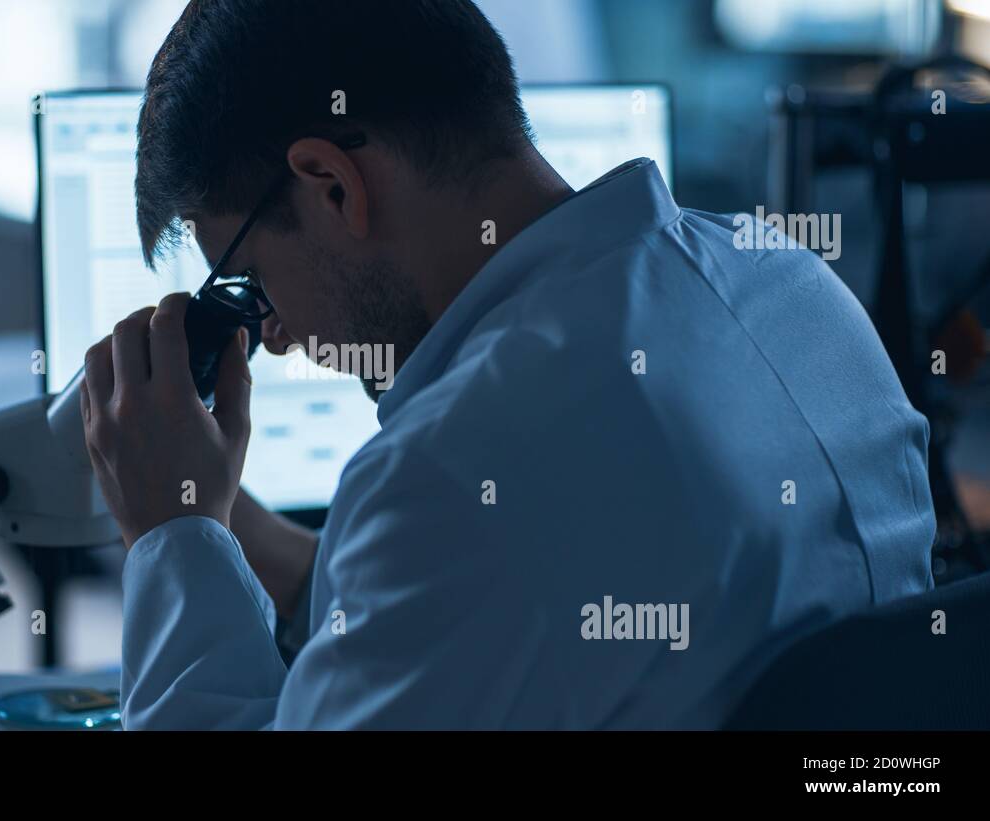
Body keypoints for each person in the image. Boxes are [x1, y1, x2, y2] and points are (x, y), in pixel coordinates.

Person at [78, 0, 935, 729]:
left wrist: (172, 534)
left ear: (333, 184)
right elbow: (466, 602)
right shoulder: (792, 285)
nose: (267, 334)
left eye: (248, 279)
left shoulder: (451, 471)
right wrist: (225, 518)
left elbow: (462, 550)